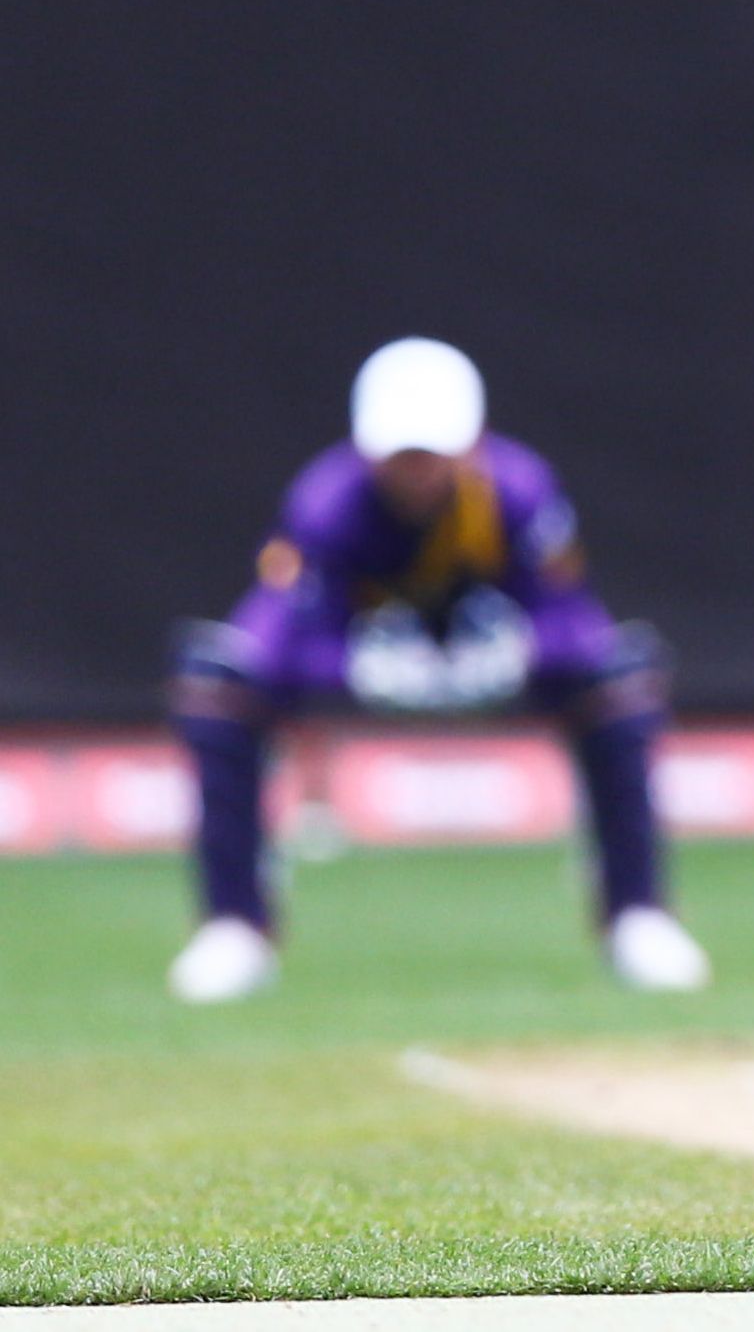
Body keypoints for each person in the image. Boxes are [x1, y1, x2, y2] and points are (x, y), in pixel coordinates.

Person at [164, 338, 710, 1002]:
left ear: (470, 444)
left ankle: (637, 914)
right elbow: (275, 635)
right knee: (216, 687)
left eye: (432, 454)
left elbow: (573, 619)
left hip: (493, 664)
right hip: (364, 669)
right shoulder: (326, 504)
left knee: (622, 682)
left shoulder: (519, 491)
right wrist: (359, 665)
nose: (417, 472)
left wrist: (517, 653)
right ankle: (235, 926)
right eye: (402, 455)